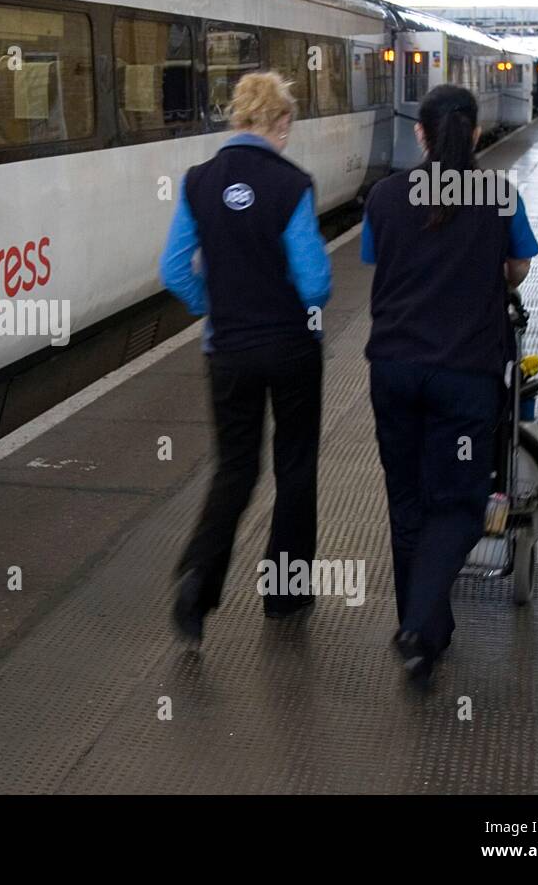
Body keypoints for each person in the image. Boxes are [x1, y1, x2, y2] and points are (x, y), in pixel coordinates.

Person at [361, 84, 538, 684]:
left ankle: (424, 637)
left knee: (406, 500)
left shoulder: (386, 195)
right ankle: (418, 623)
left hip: (393, 370)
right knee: (461, 505)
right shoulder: (498, 193)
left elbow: (378, 258)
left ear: (422, 133)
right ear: (475, 131)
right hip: (463, 376)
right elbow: (518, 266)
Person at [159, 71, 331, 648]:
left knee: (234, 468)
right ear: (279, 123)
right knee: (296, 465)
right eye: (288, 127)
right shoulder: (293, 183)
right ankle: (285, 595)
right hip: (290, 349)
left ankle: (197, 585)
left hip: (227, 351)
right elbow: (315, 282)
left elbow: (174, 270)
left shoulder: (198, 182)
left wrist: (218, 305)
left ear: (238, 119)